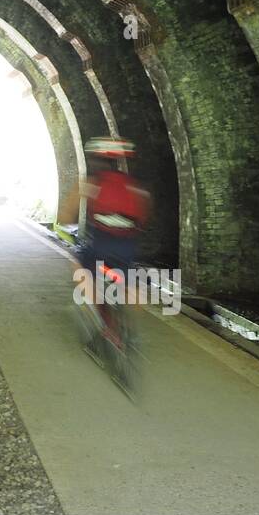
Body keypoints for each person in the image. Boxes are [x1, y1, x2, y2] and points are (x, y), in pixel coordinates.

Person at [77, 136, 151, 356]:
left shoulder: (92, 183)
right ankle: (130, 329)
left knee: (82, 273)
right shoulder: (136, 187)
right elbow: (143, 219)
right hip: (127, 247)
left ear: (94, 161)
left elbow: (66, 214)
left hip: (99, 245)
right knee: (127, 282)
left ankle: (103, 326)